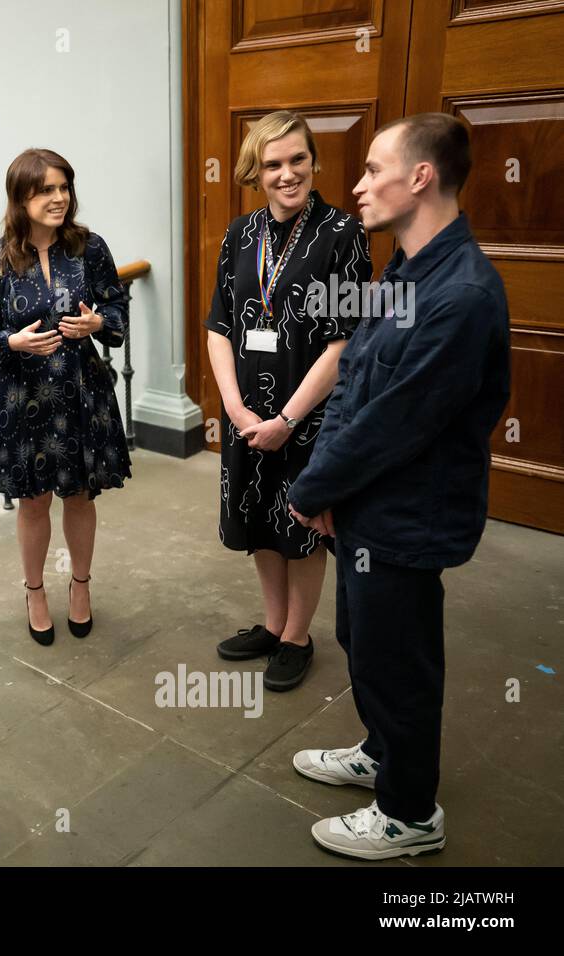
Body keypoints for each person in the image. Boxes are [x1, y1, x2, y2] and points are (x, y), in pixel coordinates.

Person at [287, 114, 510, 860]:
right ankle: (382, 752)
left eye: (374, 167)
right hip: (366, 509)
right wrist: (332, 494)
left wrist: (310, 488)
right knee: (363, 640)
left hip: (408, 519)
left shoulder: (464, 296)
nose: (357, 184)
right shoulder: (407, 270)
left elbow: (395, 424)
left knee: (400, 662)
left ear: (421, 177)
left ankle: (410, 814)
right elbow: (356, 380)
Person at [205, 111, 371, 691]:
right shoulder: (239, 234)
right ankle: (274, 626)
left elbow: (342, 342)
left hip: (308, 418)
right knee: (257, 519)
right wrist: (236, 409)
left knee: (302, 527)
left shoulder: (344, 235)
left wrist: (286, 419)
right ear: (256, 170)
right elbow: (219, 327)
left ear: (313, 161)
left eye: (297, 159)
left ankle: (299, 636)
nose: (287, 173)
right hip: (247, 415)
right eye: (273, 163)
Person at [0, 148, 131, 646]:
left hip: (83, 392)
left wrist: (98, 323)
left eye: (64, 188)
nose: (59, 198)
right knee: (34, 501)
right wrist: (11, 342)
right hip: (23, 398)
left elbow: (116, 308)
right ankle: (35, 591)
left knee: (80, 495)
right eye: (46, 190)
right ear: (20, 198)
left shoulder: (92, 248)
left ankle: (80, 586)